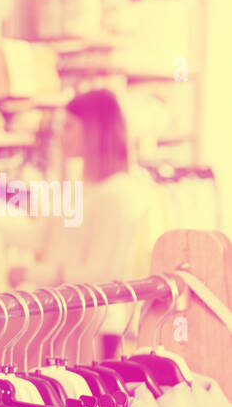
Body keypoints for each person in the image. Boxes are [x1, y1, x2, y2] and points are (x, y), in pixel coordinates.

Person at [11, 88, 157, 348]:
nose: (59, 135)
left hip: (96, 329)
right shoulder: (78, 187)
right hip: (61, 321)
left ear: (93, 131)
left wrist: (34, 273)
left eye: (69, 127)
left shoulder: (119, 193)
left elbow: (100, 274)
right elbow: (39, 237)